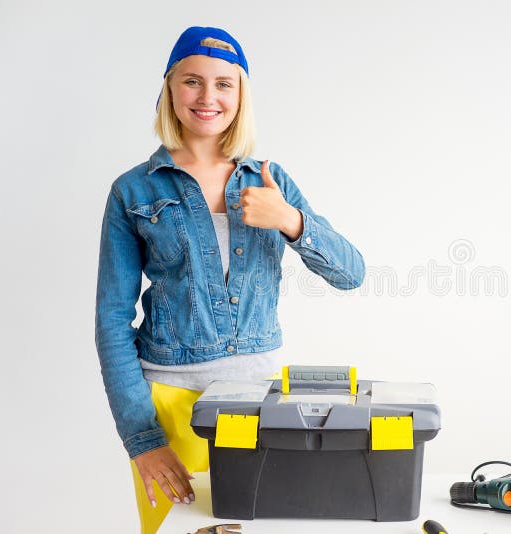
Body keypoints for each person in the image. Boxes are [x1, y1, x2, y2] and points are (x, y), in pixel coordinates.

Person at [94, 26, 365, 534]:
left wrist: (291, 221)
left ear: (241, 96)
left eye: (224, 83)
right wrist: (143, 440)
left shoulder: (269, 179)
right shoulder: (132, 190)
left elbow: (352, 274)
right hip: (169, 402)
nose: (207, 97)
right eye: (192, 81)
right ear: (169, 89)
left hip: (258, 401)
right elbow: (112, 318)